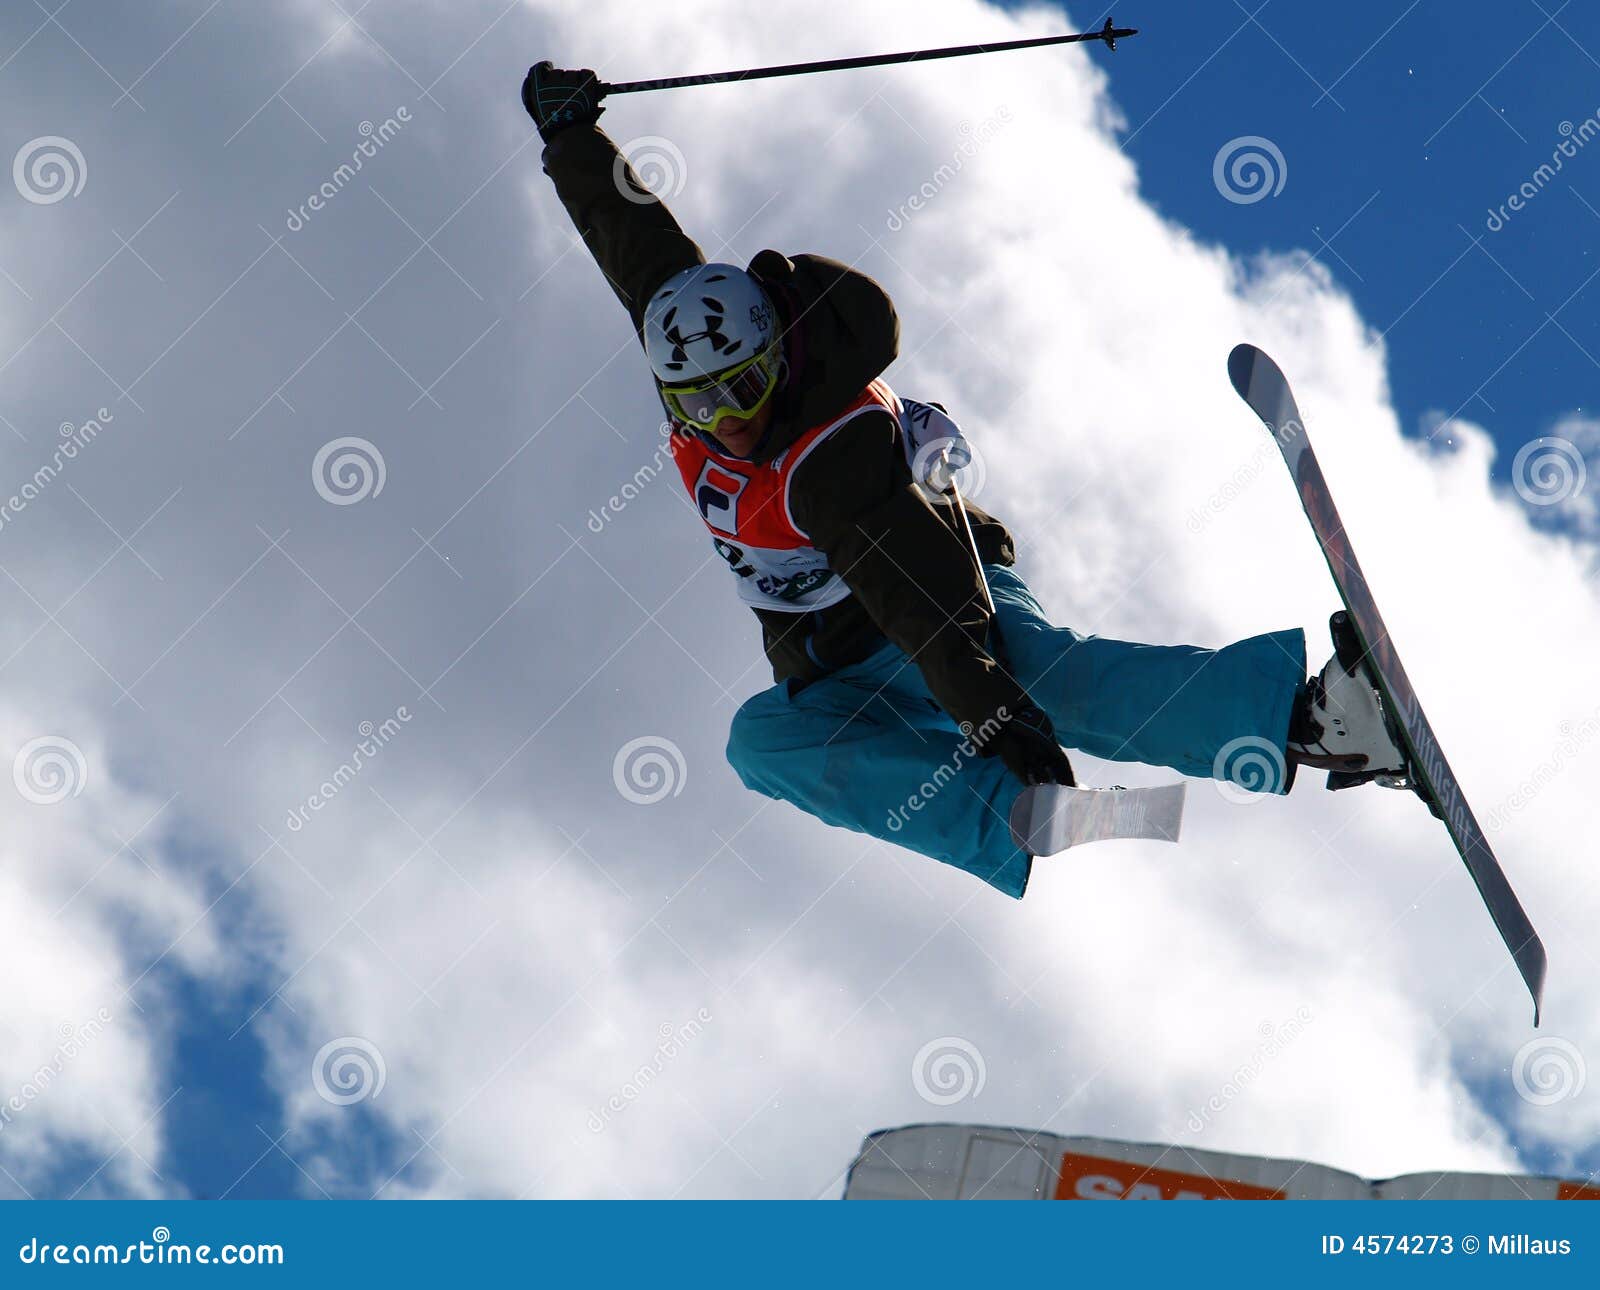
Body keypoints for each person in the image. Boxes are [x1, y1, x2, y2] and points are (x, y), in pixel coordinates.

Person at [523, 63, 1408, 898]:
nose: (727, 421)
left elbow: (929, 609)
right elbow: (634, 244)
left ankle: (1319, 724)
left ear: (778, 357)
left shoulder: (830, 457)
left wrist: (1004, 724)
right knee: (760, 742)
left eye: (745, 388)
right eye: (698, 401)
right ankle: (1006, 816)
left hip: (944, 598)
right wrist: (569, 139)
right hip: (843, 671)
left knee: (1044, 679)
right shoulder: (692, 347)